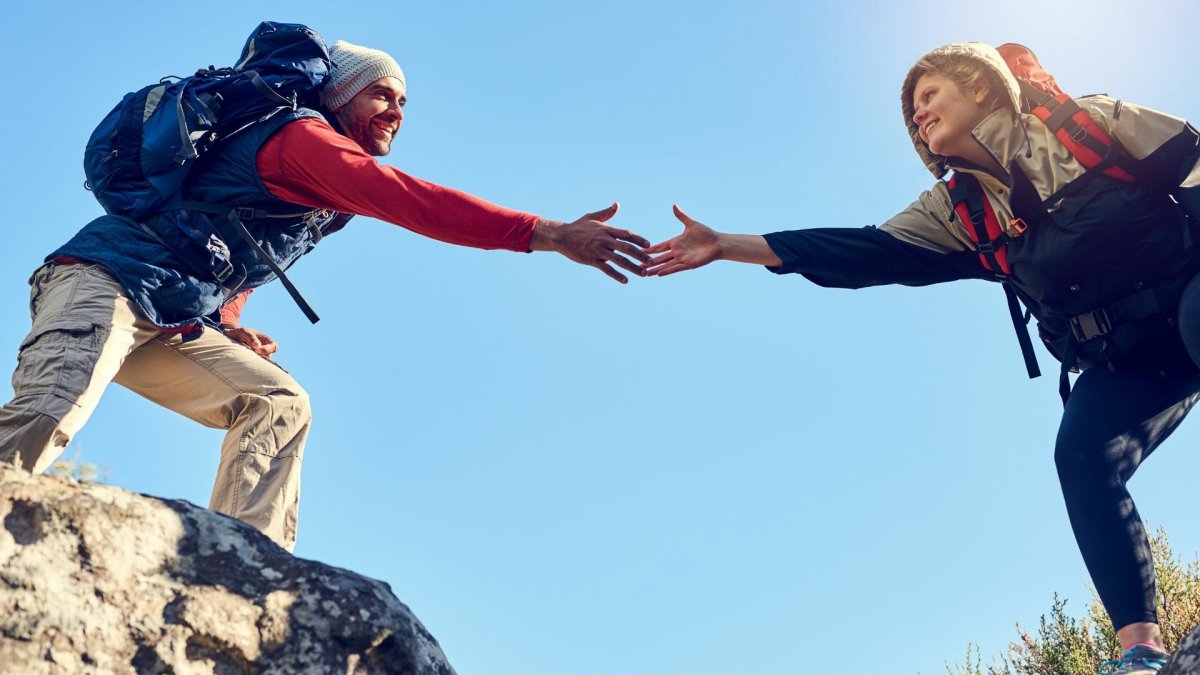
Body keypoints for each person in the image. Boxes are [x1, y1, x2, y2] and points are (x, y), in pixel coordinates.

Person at [643, 42, 1200, 675]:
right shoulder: (955, 211)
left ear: (983, 88)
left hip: (1193, 299)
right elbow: (860, 251)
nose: (919, 112)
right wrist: (726, 245)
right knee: (1080, 456)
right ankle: (1142, 654)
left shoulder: (1089, 125)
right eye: (912, 111)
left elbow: (1192, 156)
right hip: (1128, 359)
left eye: (930, 93)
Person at [0, 39, 650, 552]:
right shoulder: (299, 141)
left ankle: (240, 559)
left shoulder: (316, 192)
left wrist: (226, 328)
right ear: (339, 94)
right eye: (382, 94)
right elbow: (410, 201)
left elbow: (235, 258)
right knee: (50, 410)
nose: (397, 111)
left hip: (171, 316)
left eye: (404, 102)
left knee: (277, 400)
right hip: (105, 280)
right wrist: (546, 232)